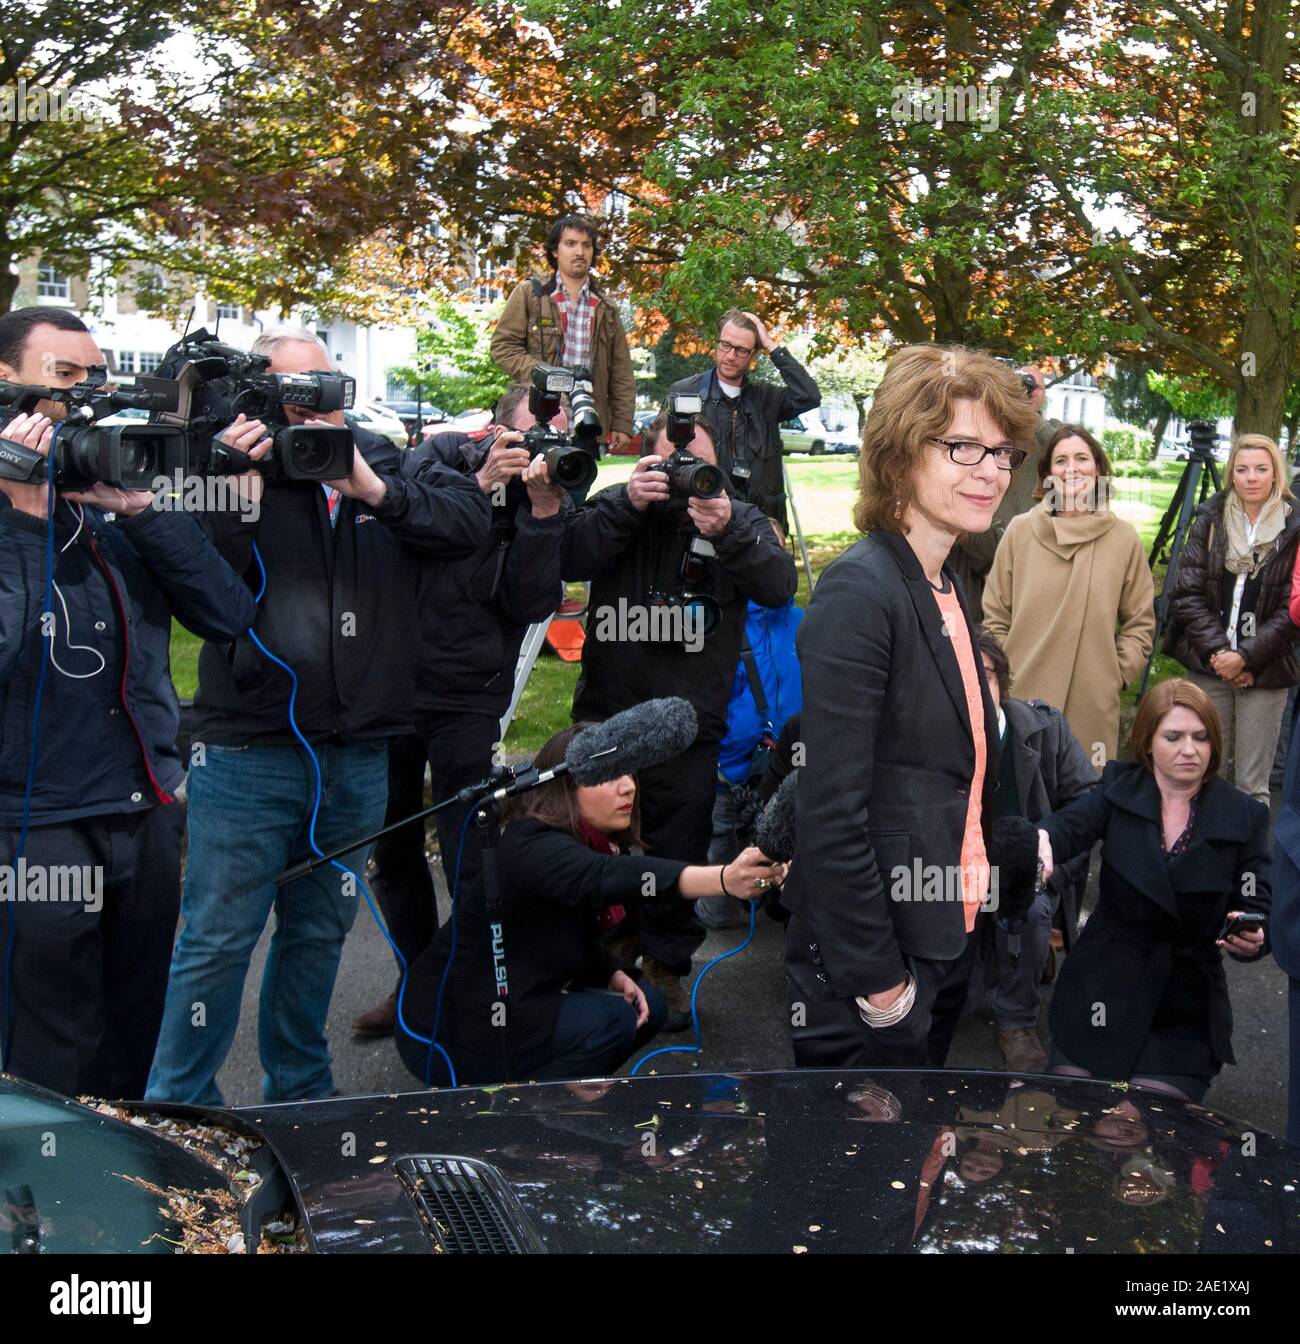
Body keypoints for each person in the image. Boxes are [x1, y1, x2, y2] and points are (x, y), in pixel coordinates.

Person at [145, 326, 491, 1106]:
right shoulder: (227, 461)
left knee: (318, 933)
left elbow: (463, 528)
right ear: (258, 393)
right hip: (249, 748)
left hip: (360, 750)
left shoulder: (375, 452)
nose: (308, 407)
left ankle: (299, 1095)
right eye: (289, 392)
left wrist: (370, 487)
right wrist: (235, 490)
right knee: (215, 943)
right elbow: (199, 595)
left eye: (323, 388)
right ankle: (180, 1107)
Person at [0, 306, 257, 1099]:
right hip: (31, 823)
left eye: (95, 376)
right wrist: (22, 516)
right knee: (50, 1049)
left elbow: (227, 617)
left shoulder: (110, 500)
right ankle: (46, 1211)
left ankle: (126, 1201)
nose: (86, 396)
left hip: (140, 808)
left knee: (132, 1031)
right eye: (64, 377)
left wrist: (145, 512)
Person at [783, 344, 1039, 1069]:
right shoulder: (861, 593)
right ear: (898, 456)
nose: (991, 470)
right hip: (875, 975)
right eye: (963, 447)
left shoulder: (946, 579)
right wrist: (882, 986)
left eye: (1001, 452)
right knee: (867, 1179)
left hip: (943, 938)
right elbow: (830, 815)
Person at [562, 409, 797, 1027]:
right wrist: (628, 505)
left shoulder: (734, 516)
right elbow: (569, 558)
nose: (682, 473)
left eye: (696, 462)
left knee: (676, 845)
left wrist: (726, 529)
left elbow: (778, 588)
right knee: (598, 847)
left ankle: (666, 965)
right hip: (608, 716)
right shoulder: (620, 504)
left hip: (690, 725)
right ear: (647, 459)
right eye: (671, 461)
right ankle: (603, 959)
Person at [352, 384, 571, 1038]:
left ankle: (466, 988)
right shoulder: (436, 458)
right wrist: (481, 482)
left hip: (468, 696)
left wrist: (539, 513)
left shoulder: (546, 492)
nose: (536, 450)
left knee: (468, 852)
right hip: (391, 684)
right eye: (528, 433)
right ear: (495, 427)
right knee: (394, 851)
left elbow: (533, 603)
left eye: (549, 438)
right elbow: (412, 522)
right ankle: (413, 984)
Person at [395, 724, 785, 1087]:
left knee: (647, 1002)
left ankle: (559, 1090)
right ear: (565, 786)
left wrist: (610, 973)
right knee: (613, 1021)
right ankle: (536, 1114)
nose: (628, 788)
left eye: (629, 774)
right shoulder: (532, 844)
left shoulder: (590, 841)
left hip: (519, 1004)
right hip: (444, 1034)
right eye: (608, 776)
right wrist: (723, 879)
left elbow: (565, 937)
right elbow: (610, 876)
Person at [1037, 678, 1271, 1103]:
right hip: (1101, 984)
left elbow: (1255, 898)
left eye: (1201, 738)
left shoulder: (1245, 816)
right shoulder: (1117, 789)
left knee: (1155, 1127)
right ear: (1147, 742)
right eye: (1174, 736)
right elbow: (1069, 826)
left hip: (1182, 1003)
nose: (1190, 749)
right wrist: (1042, 840)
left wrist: (1255, 934)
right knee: (1078, 1114)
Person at [983, 423, 1155, 772]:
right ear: (1047, 473)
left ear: (1098, 469)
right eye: (1061, 460)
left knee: (1084, 810)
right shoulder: (1020, 532)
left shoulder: (1123, 539)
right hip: (1021, 698)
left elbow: (1140, 623)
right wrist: (1006, 673)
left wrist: (1114, 674)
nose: (1072, 468)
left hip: (1092, 703)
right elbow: (995, 616)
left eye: (1082, 458)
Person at [973, 629, 1097, 1072]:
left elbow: (1088, 806)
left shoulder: (1046, 729)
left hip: (1028, 874)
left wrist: (1051, 861)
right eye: (960, 676)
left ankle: (1016, 1022)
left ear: (1002, 680)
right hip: (956, 874)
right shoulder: (931, 736)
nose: (972, 685)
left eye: (982, 674)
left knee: (1032, 913)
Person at [1166, 433, 1300, 806]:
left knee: (1252, 787)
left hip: (1267, 668)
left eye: (1261, 469)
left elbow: (1293, 607)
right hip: (1210, 665)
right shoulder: (1210, 518)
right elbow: (1187, 593)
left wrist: (1247, 657)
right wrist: (1221, 655)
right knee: (1203, 774)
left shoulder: (1295, 526)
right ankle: (1201, 860)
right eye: (1242, 469)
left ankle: (1249, 863)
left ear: (1276, 474)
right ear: (1231, 475)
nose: (1251, 477)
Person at [697, 585, 803, 930]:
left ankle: (742, 902)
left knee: (733, 855)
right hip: (756, 769)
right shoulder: (720, 625)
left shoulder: (806, 622)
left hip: (751, 768)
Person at [490, 213, 635, 452]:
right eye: (570, 243)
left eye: (586, 245)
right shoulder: (531, 295)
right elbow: (503, 348)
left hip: (586, 422)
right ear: (555, 251)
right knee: (527, 485)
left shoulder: (607, 309)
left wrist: (622, 423)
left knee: (576, 488)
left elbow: (622, 372)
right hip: (535, 419)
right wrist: (546, 375)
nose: (580, 251)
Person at [668, 310, 820, 532]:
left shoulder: (768, 399)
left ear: (754, 355)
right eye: (725, 345)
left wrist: (771, 346)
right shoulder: (686, 392)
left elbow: (809, 395)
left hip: (761, 527)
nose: (730, 356)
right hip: (704, 525)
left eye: (741, 350)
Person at [949, 364, 1058, 618]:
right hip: (975, 537)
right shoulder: (996, 424)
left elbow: (1074, 454)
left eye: (1032, 385)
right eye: (1019, 383)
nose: (1026, 389)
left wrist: (1031, 416)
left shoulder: (1049, 431)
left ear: (1043, 393)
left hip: (1022, 545)